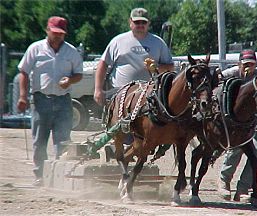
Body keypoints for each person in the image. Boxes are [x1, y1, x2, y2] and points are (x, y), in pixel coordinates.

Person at [17, 16, 83, 186]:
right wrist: (23, 96)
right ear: (47, 30)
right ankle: (40, 175)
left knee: (63, 140)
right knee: (39, 141)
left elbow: (79, 74)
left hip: (63, 101)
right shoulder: (35, 49)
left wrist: (69, 80)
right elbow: (23, 72)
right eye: (54, 32)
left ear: (64, 34)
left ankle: (58, 176)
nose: (57, 36)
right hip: (41, 101)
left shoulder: (71, 52)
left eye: (60, 33)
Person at [94, 7, 174, 106]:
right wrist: (98, 89)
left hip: (149, 96)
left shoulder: (158, 43)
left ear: (148, 23)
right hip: (120, 94)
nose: (140, 25)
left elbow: (170, 67)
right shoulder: (118, 41)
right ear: (130, 22)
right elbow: (103, 64)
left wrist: (156, 67)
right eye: (137, 22)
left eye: (143, 22)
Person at [217, 49, 257, 202]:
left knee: (256, 152)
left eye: (251, 64)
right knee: (236, 149)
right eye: (245, 63)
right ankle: (224, 181)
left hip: (255, 119)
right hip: (236, 119)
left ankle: (243, 188)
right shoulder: (231, 73)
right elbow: (218, 80)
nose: (248, 67)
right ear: (239, 64)